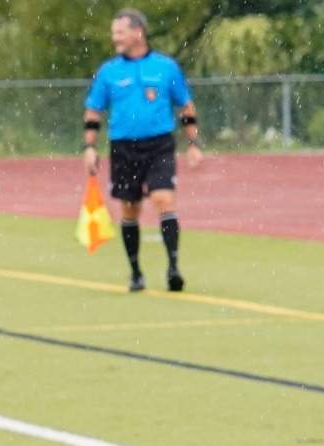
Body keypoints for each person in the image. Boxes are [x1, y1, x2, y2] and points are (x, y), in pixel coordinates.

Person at [83, 8, 201, 292]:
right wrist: (89, 147)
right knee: (130, 208)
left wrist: (193, 142)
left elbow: (185, 104)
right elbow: (94, 111)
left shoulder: (166, 67)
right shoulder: (109, 71)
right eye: (114, 33)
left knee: (164, 200)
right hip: (124, 148)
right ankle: (136, 272)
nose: (115, 38)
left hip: (159, 144)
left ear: (138, 32)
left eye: (120, 32)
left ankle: (173, 267)